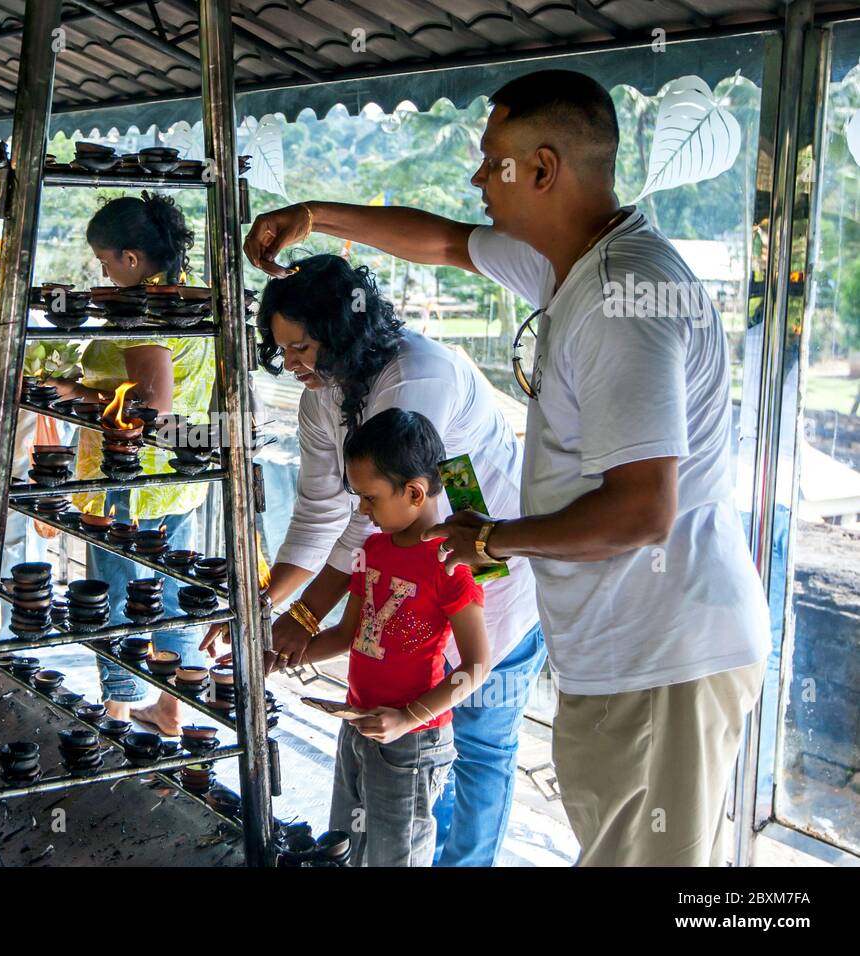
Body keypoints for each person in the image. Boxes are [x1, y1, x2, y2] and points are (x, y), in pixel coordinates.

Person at [245, 69, 770, 866]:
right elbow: (445, 241)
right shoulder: (564, 269)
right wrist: (314, 215)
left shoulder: (624, 299)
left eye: (493, 163)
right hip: (616, 647)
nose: (477, 179)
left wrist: (492, 539)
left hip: (667, 649)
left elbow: (642, 512)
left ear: (545, 170)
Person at [205, 253, 543, 866]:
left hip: (487, 579)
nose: (293, 365)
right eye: (282, 352)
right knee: (410, 778)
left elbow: (365, 521)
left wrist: (300, 621)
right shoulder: (322, 398)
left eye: (303, 347)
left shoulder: (416, 375)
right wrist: (262, 611)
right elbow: (319, 516)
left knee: (476, 744)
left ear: (343, 331)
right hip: (403, 596)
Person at [38, 192, 215, 735]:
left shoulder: (138, 312)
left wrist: (72, 390)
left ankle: (114, 714)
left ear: (132, 259)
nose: (104, 271)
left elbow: (148, 408)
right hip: (180, 477)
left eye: (105, 260)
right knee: (172, 588)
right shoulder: (192, 297)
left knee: (115, 595)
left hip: (128, 479)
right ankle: (169, 706)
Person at [301, 408, 491, 866]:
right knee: (343, 848)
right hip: (358, 723)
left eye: (369, 498)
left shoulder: (450, 564)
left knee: (395, 858)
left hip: (412, 743)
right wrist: (280, 657)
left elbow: (476, 667)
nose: (362, 510)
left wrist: (407, 718)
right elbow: (350, 633)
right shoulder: (373, 548)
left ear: (414, 492)